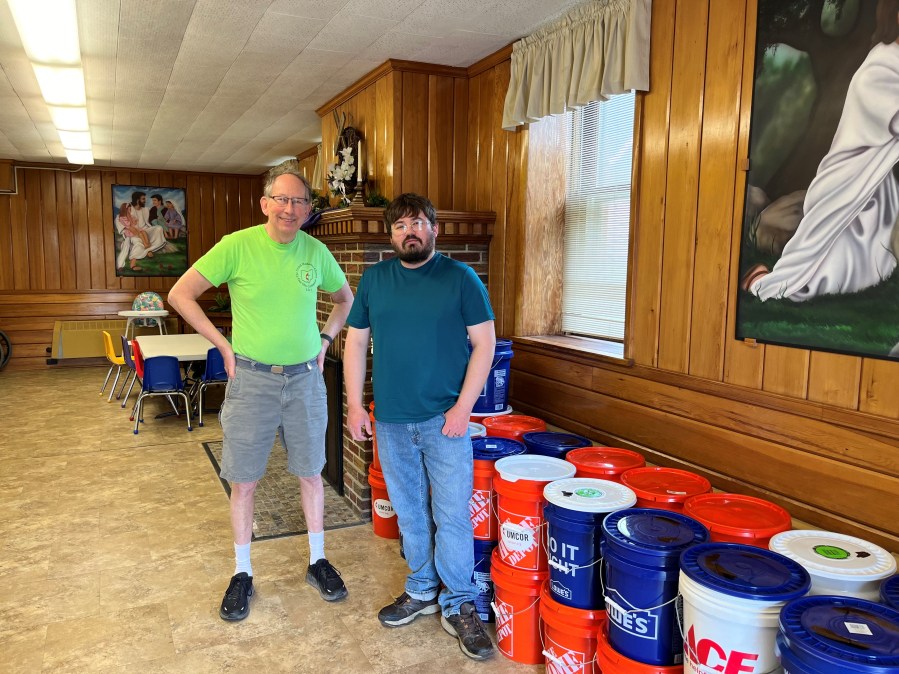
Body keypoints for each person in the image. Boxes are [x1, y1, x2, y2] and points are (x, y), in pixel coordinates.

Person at [167, 160, 354, 622]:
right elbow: (180, 294)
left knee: (311, 473)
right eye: (283, 199)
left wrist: (326, 340)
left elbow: (345, 299)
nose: (291, 209)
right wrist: (223, 346)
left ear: (309, 210)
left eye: (300, 201)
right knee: (244, 479)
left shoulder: (315, 253)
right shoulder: (237, 246)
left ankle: (317, 560)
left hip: (306, 382)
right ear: (266, 203)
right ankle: (243, 572)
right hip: (252, 380)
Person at [344, 193, 497, 660]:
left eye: (417, 223)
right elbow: (354, 345)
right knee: (410, 513)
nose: (408, 231)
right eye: (399, 226)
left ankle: (459, 603)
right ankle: (421, 589)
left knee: (451, 515)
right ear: (391, 236)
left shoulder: (461, 278)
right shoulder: (374, 280)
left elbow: (485, 345)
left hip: (444, 422)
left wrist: (463, 409)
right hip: (390, 422)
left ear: (434, 229)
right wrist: (355, 405)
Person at [746, 6, 899, 301]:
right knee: (834, 274)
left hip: (878, 189)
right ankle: (763, 282)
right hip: (849, 191)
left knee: (874, 268)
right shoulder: (880, 67)